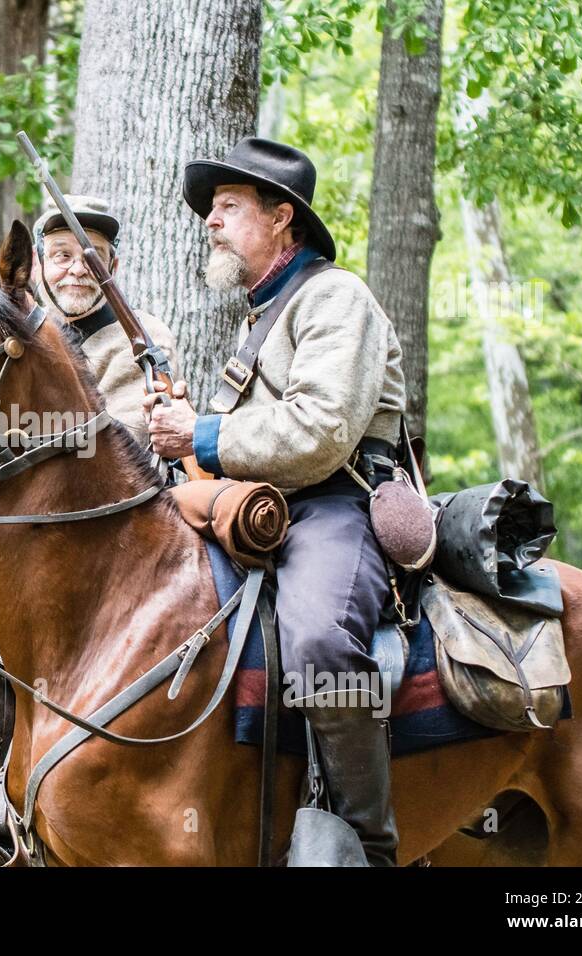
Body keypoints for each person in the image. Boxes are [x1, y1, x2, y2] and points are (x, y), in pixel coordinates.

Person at [144, 137, 408, 866]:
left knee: (320, 641)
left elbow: (321, 433)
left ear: (281, 217)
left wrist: (200, 433)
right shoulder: (259, 315)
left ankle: (368, 841)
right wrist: (190, 437)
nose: (210, 222)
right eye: (212, 210)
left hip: (334, 504)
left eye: (228, 207)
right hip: (263, 506)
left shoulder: (334, 296)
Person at [32, 194, 179, 448]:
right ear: (38, 264)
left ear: (113, 267)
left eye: (93, 257)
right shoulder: (22, 334)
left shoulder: (144, 338)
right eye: (63, 255)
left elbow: (116, 448)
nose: (79, 269)